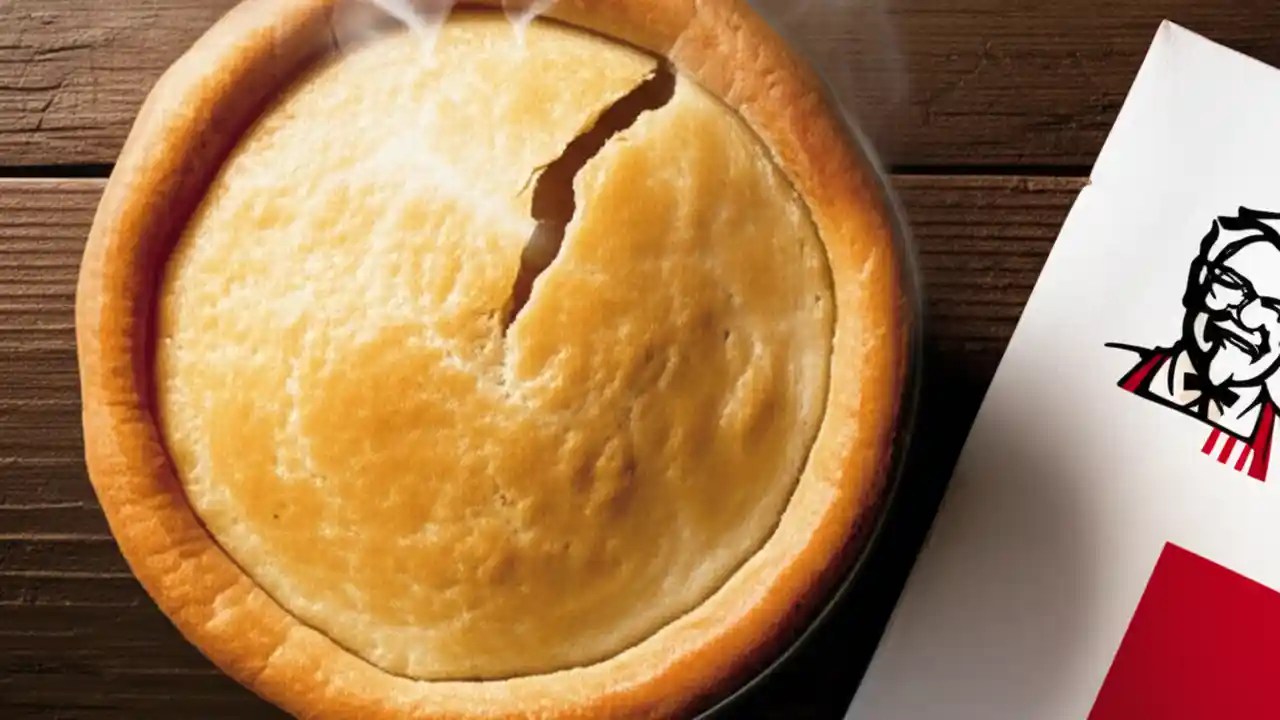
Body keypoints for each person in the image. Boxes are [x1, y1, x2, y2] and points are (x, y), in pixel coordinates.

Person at [1111, 208, 1280, 482]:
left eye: (1277, 310)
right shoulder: (1103, 366)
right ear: (1197, 280)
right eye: (1232, 283)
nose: (1249, 318)